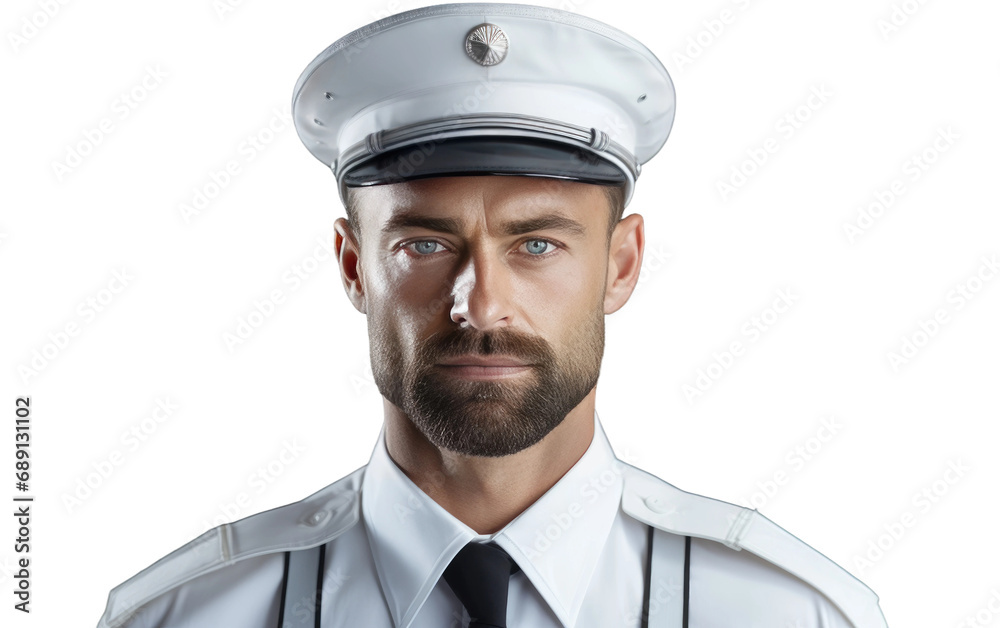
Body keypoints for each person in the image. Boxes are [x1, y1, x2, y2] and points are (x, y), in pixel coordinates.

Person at [97, 3, 888, 627]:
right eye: (424, 245)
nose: (480, 303)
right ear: (352, 266)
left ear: (621, 265)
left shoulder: (793, 615)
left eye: (537, 244)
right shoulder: (186, 616)